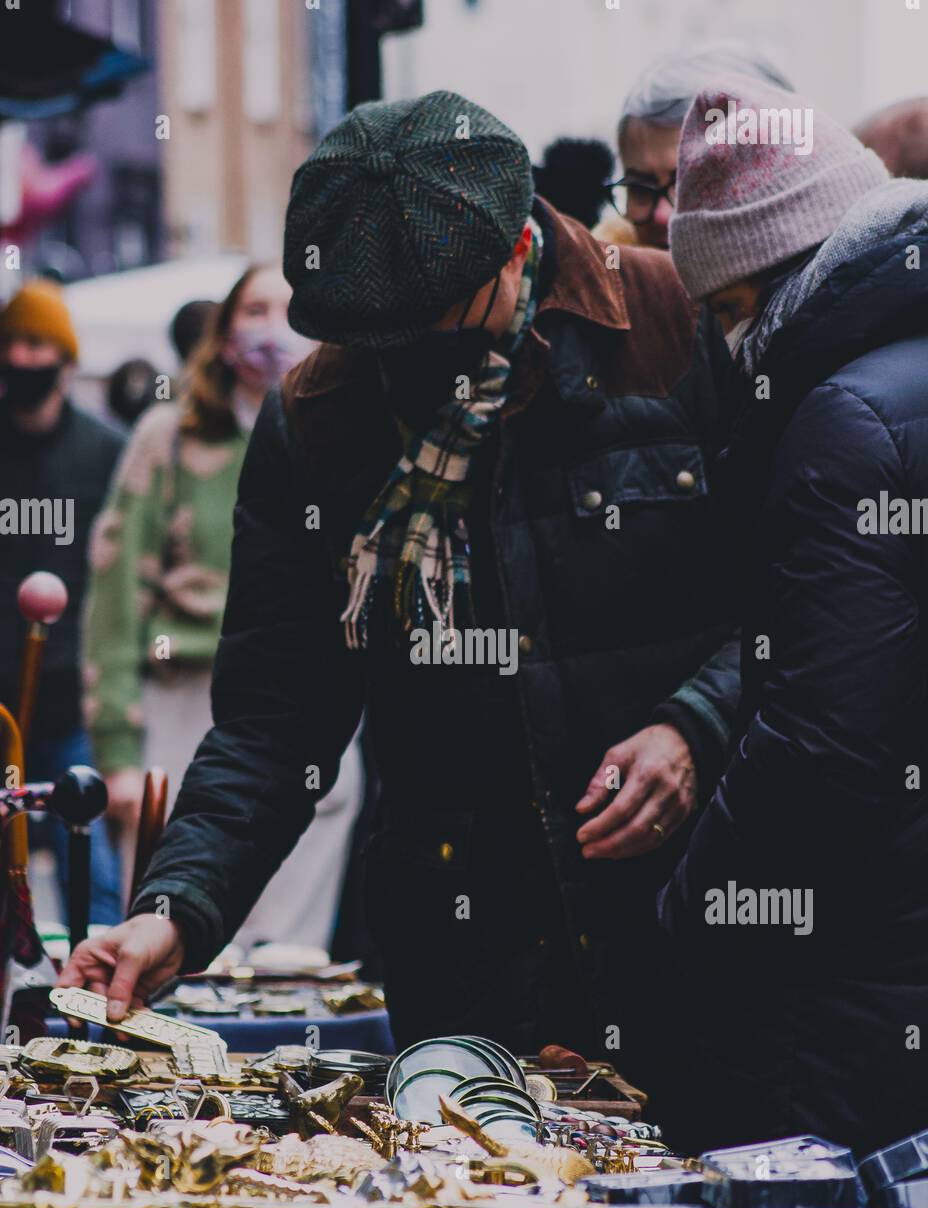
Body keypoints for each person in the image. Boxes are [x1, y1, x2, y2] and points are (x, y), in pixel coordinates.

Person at [62, 92, 739, 1128]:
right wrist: (175, 911)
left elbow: (810, 597)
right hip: (469, 951)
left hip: (687, 920)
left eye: (434, 325)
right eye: (378, 337)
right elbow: (273, 719)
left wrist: (696, 722)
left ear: (519, 247)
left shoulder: (670, 320)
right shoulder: (318, 416)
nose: (406, 361)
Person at [661, 77, 928, 1156]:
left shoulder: (840, 422)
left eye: (723, 312)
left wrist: (691, 900)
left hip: (861, 963)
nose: (725, 347)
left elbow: (823, 736)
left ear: (772, 277)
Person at [82, 265, 364, 951]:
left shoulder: (348, 430)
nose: (272, 326)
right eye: (254, 307)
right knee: (174, 927)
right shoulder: (169, 434)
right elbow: (116, 597)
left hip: (311, 707)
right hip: (183, 698)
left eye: (289, 307)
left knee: (291, 957)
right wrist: (118, 750)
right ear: (225, 325)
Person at [0, 279, 124, 925]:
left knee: (91, 871)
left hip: (72, 694)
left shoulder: (106, 452)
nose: (23, 358)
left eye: (38, 343)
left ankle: (95, 1003)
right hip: (0, 703)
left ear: (66, 358)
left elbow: (122, 573)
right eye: (13, 343)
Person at [611, 40, 793, 250]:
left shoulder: (834, 275)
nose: (663, 216)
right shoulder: (597, 270)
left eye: (693, 186)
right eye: (639, 188)